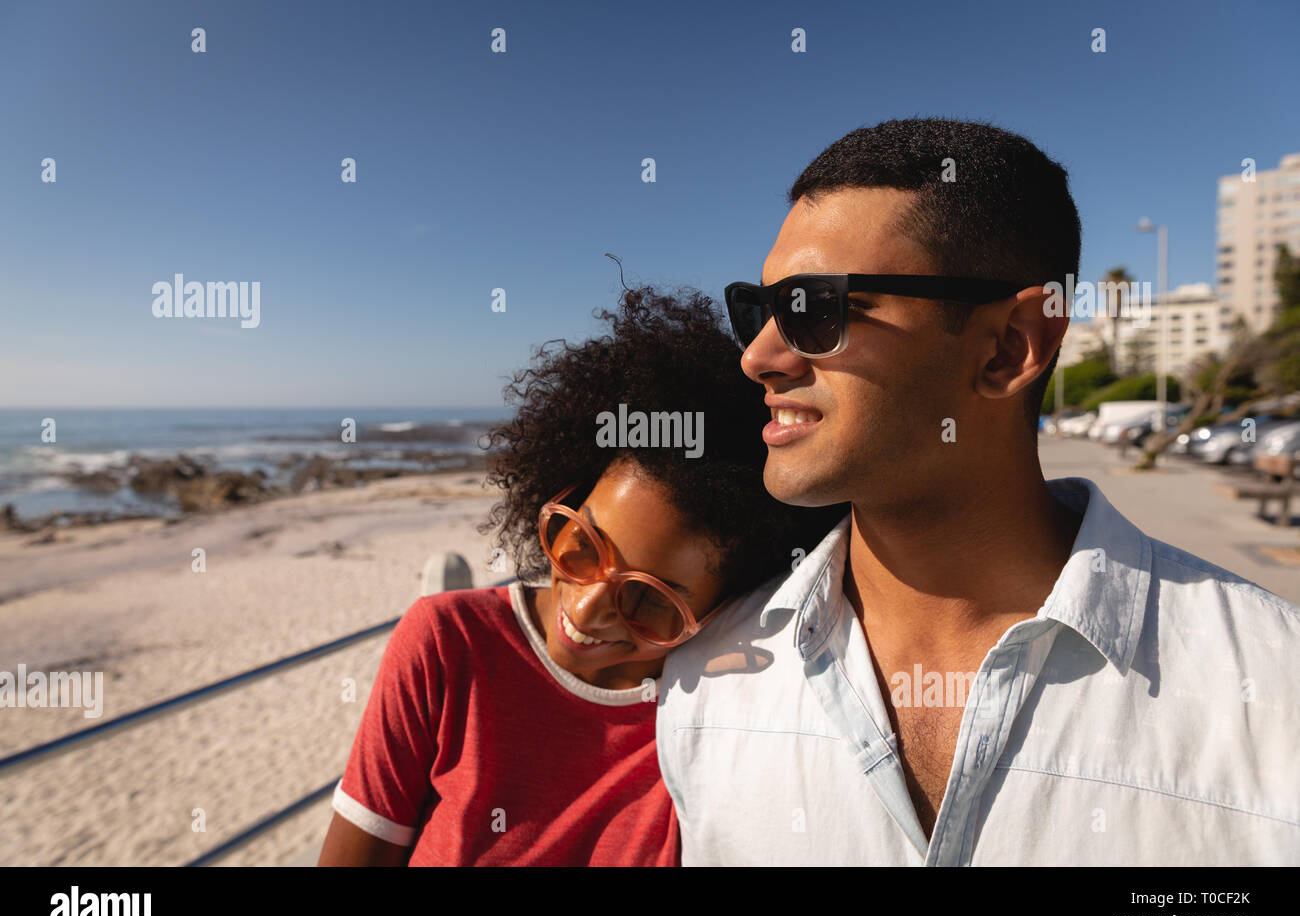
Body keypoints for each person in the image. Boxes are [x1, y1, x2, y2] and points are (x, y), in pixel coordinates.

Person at [657, 118, 1300, 865]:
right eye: (757, 311)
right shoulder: (709, 682)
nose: (760, 356)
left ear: (1010, 347)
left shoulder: (1272, 697)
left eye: (813, 309)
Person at [316, 284, 842, 865]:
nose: (588, 609)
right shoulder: (447, 643)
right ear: (566, 489)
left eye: (646, 599)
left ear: (721, 610)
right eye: (585, 544)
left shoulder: (708, 714)